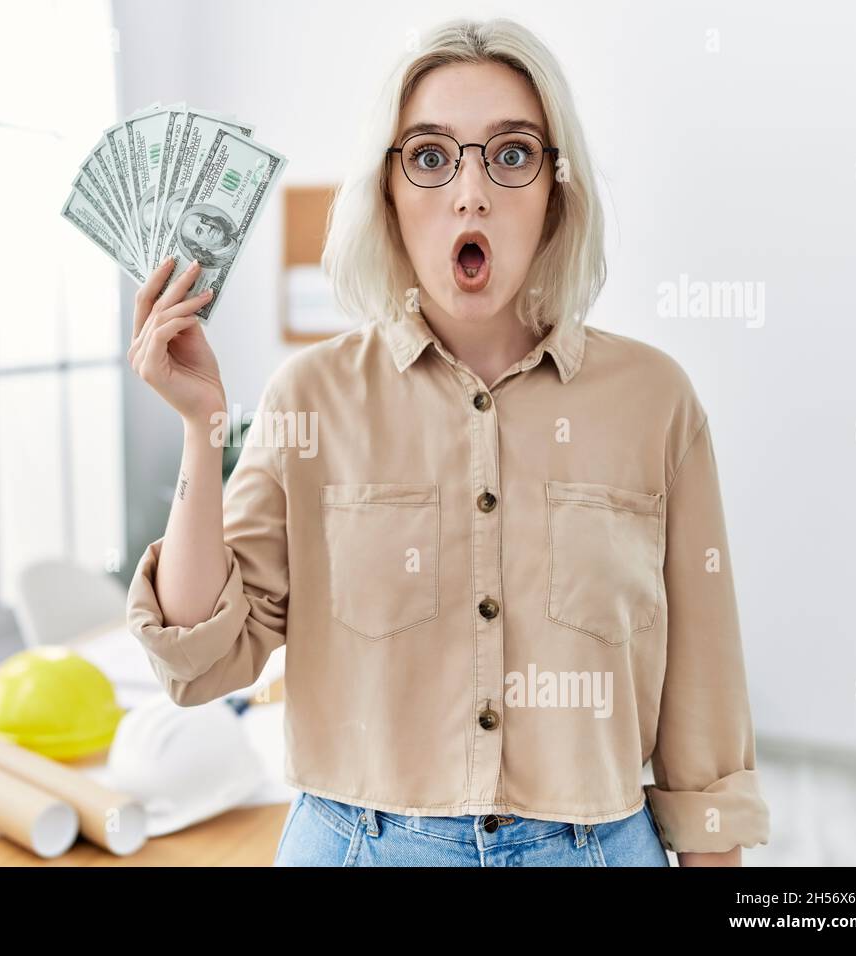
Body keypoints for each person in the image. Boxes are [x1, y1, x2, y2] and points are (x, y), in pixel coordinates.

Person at [125, 16, 770, 867]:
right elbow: (200, 661)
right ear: (387, 193)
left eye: (510, 156)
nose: (471, 194)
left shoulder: (657, 403)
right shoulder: (311, 397)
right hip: (356, 845)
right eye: (430, 157)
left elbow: (705, 696)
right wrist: (200, 433)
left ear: (555, 192)